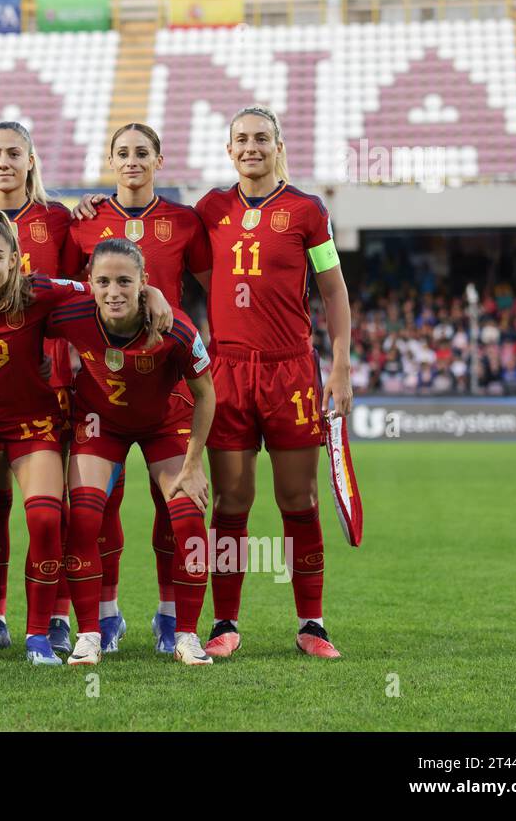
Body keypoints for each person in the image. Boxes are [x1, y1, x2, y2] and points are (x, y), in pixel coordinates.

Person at [0, 212, 171, 666]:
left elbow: (100, 289)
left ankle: (37, 635)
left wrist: (151, 291)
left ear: (15, 260)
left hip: (30, 420)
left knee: (48, 521)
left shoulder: (40, 291)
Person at [193, 105, 353, 659]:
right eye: (242, 139)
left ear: (278, 145)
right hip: (229, 371)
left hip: (290, 372)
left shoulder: (308, 211)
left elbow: (334, 291)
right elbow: (158, 249)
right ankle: (224, 623)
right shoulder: (209, 209)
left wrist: (340, 367)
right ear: (229, 149)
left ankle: (312, 623)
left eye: (262, 138)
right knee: (231, 502)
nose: (251, 147)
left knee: (298, 497)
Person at [67, 122, 213, 653]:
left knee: (177, 508)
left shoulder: (185, 221)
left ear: (159, 159)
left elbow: (215, 289)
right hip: (100, 392)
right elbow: (62, 299)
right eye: (122, 152)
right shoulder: (82, 222)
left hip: (165, 387)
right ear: (110, 159)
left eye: (141, 153)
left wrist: (202, 347)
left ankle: (173, 619)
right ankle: (103, 620)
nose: (131, 160)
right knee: (93, 511)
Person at [47, 239, 215, 665]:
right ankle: (89, 633)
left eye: (125, 281)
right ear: (89, 283)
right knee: (83, 517)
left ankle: (186, 634)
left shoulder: (174, 326)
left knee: (189, 518)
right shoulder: (71, 312)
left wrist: (194, 466)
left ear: (144, 283)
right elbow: (25, 295)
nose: (113, 291)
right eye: (103, 281)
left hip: (165, 423)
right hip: (102, 426)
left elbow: (206, 394)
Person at [0, 121, 81, 654]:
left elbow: (80, 297)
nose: (3, 161)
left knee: (56, 506)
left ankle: (55, 618)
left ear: (31, 160)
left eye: (13, 152)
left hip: (48, 387)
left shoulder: (60, 219)